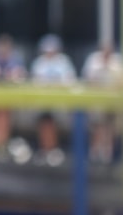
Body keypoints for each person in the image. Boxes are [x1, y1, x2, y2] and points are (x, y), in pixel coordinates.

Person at [30, 34, 77, 164]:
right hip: (44, 101)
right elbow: (36, 82)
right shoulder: (39, 62)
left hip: (60, 102)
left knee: (55, 121)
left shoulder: (64, 61)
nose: (50, 52)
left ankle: (54, 149)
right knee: (45, 122)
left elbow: (70, 81)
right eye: (47, 50)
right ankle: (45, 149)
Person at [81, 39, 123, 163]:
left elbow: (122, 82)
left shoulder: (117, 62)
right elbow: (88, 81)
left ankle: (108, 154)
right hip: (96, 103)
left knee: (109, 128)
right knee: (97, 127)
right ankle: (95, 153)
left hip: (112, 103)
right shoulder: (93, 61)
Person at [0, 34, 27, 155]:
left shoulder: (15, 59)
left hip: (9, 97)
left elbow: (19, 77)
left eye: (6, 46)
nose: (3, 49)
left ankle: (2, 145)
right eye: (1, 46)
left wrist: (10, 76)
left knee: (4, 118)